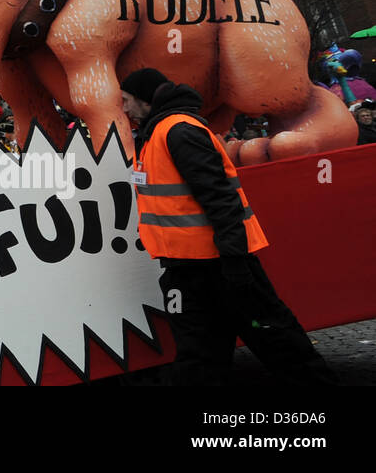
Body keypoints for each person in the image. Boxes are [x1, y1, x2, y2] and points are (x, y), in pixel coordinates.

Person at [120, 67, 335, 386]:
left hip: (219, 263)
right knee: (203, 353)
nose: (123, 108)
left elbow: (220, 198)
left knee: (276, 341)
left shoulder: (178, 131)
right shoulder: (162, 133)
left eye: (126, 100)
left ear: (145, 99)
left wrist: (234, 261)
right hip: (191, 266)